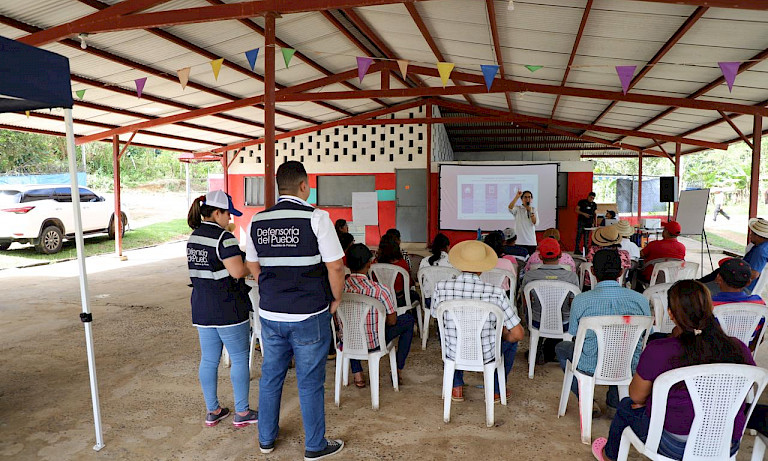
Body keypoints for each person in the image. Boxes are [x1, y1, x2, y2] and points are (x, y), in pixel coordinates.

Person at [245, 161, 346, 459]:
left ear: (280, 187)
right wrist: (336, 299)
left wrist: (270, 284)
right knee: (310, 381)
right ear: (304, 186)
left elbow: (252, 263)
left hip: (271, 315)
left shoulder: (257, 220)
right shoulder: (316, 218)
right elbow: (336, 266)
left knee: (271, 377)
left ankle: (266, 439)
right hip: (309, 314)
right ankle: (314, 446)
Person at [591, 280, 755, 461]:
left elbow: (637, 396)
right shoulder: (739, 348)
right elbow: (743, 390)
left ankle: (609, 456)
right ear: (710, 309)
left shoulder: (659, 350)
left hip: (674, 445)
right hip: (726, 443)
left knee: (627, 406)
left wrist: (650, 401)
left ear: (671, 314)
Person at [186, 190, 258, 428]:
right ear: (217, 213)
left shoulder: (194, 237)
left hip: (202, 308)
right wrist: (251, 264)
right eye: (228, 214)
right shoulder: (224, 239)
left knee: (208, 360)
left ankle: (213, 410)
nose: (230, 219)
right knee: (239, 358)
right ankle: (242, 412)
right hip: (227, 308)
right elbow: (237, 271)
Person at [556, 249, 651, 417]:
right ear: (621, 272)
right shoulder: (640, 300)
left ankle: (586, 399)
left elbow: (573, 333)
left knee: (562, 348)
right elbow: (645, 335)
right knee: (623, 349)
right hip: (627, 364)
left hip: (590, 364)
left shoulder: (581, 300)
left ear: (592, 271)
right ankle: (615, 403)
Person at [431, 240, 526, 403]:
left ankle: (456, 386)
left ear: (459, 264)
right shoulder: (496, 292)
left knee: (446, 332)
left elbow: (435, 315)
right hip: (486, 354)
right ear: (483, 267)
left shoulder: (441, 287)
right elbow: (518, 334)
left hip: (453, 352)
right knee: (511, 341)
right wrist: (503, 333)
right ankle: (496, 390)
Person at [341, 244, 415, 388]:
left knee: (351, 326)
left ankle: (357, 374)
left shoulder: (339, 287)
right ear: (369, 263)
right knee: (408, 320)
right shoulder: (380, 290)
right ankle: (398, 370)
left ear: (347, 264)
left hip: (347, 340)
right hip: (374, 342)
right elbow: (392, 321)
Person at [520, 238, 579, 364]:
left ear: (540, 256)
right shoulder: (571, 277)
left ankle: (537, 348)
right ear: (560, 255)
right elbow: (573, 303)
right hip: (564, 323)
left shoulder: (530, 276)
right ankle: (559, 348)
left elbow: (526, 302)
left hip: (537, 321)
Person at [376, 233, 415, 308]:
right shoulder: (402, 263)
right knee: (415, 295)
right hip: (399, 300)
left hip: (380, 299)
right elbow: (408, 284)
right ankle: (411, 316)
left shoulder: (374, 263)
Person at [508, 190, 538, 255]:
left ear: (531, 199)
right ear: (522, 199)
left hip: (531, 242)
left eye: (529, 197)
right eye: (525, 197)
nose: (527, 199)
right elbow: (510, 208)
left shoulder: (534, 209)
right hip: (519, 241)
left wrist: (531, 212)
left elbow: (535, 222)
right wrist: (516, 197)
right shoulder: (518, 209)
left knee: (530, 263)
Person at [743, 217, 768, 292]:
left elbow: (753, 274)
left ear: (758, 236)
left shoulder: (760, 251)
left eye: (752, 233)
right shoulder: (761, 246)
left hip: (744, 288)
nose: (750, 235)